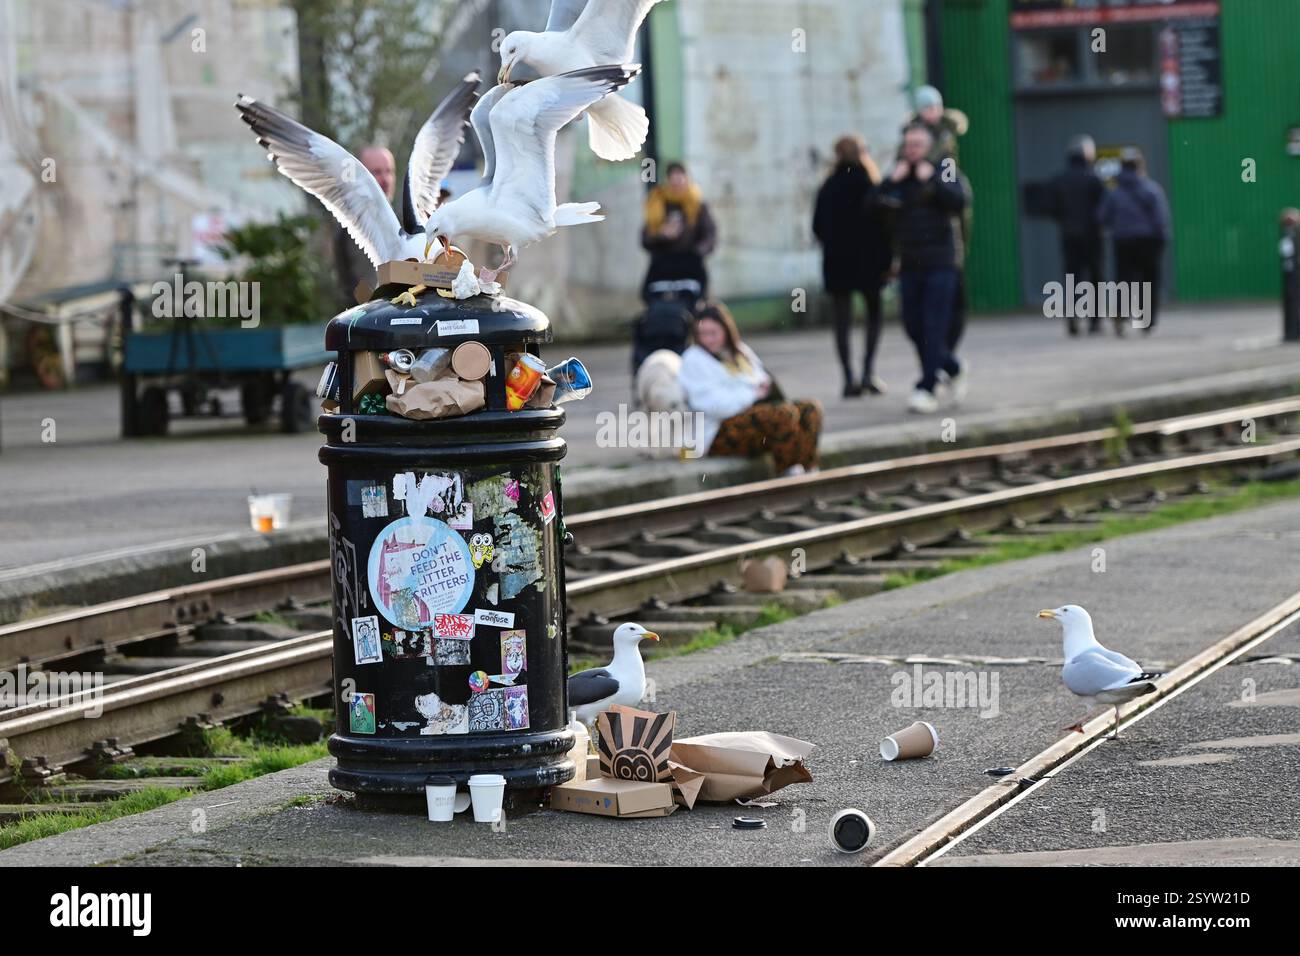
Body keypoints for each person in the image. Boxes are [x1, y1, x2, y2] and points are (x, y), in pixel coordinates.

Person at [878, 124, 970, 414]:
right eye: (908, 144)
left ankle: (926, 386)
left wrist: (935, 181)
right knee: (912, 325)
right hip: (909, 263)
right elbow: (871, 207)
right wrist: (890, 183)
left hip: (942, 262)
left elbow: (960, 200)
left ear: (928, 146)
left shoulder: (944, 167)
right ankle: (952, 366)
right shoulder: (899, 173)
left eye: (917, 144)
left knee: (933, 325)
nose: (912, 149)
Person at [678, 303, 823, 475]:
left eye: (713, 333)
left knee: (811, 409)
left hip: (751, 417)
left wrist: (763, 387)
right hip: (717, 433)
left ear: (726, 329)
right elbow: (713, 406)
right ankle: (790, 476)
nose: (708, 339)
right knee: (782, 414)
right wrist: (753, 393)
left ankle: (810, 471)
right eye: (702, 334)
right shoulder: (693, 359)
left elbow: (760, 378)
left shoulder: (740, 351)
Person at [813, 134, 893, 397]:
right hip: (869, 262)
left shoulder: (828, 187)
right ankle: (868, 373)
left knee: (842, 321)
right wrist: (887, 259)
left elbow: (817, 228)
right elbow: (885, 227)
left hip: (837, 262)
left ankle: (848, 378)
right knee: (874, 313)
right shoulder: (871, 184)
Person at [1098, 148, 1170, 334]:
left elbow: (1102, 217)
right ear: (1140, 166)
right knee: (1149, 281)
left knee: (1124, 280)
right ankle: (1146, 321)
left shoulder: (1114, 193)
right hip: (1149, 241)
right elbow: (1160, 220)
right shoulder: (1152, 190)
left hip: (1124, 241)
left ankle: (1121, 313)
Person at [1048, 135, 1106, 335]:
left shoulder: (1059, 180)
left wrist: (1066, 221)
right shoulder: (1094, 179)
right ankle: (1095, 321)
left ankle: (1072, 318)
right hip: (1092, 236)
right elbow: (1103, 208)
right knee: (1095, 278)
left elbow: (1052, 208)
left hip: (1069, 235)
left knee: (1072, 278)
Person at [642, 163, 718, 302]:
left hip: (691, 265)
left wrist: (695, 253)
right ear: (668, 180)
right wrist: (661, 235)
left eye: (680, 177)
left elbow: (710, 235)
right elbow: (645, 239)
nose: (677, 182)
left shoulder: (697, 204)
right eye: (673, 178)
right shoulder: (657, 202)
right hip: (663, 266)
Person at [333, 146, 396, 309]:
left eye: (389, 171)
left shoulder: (406, 219)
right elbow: (360, 288)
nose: (385, 179)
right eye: (376, 172)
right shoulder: (352, 228)